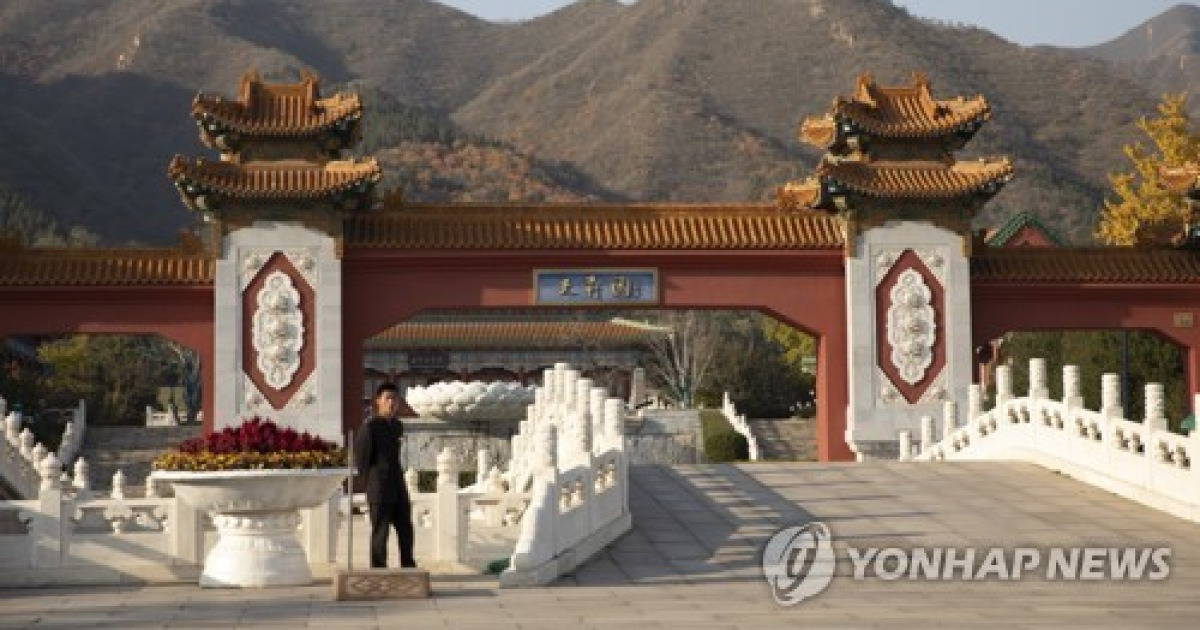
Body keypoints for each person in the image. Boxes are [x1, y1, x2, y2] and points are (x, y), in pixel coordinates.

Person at [355, 382, 417, 569]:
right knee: (381, 532)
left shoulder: (397, 426)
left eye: (395, 399)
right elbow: (362, 461)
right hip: (379, 488)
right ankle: (379, 568)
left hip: (398, 486)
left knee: (406, 528)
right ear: (378, 401)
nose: (392, 402)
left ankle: (408, 565)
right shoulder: (370, 428)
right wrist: (371, 484)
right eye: (387, 398)